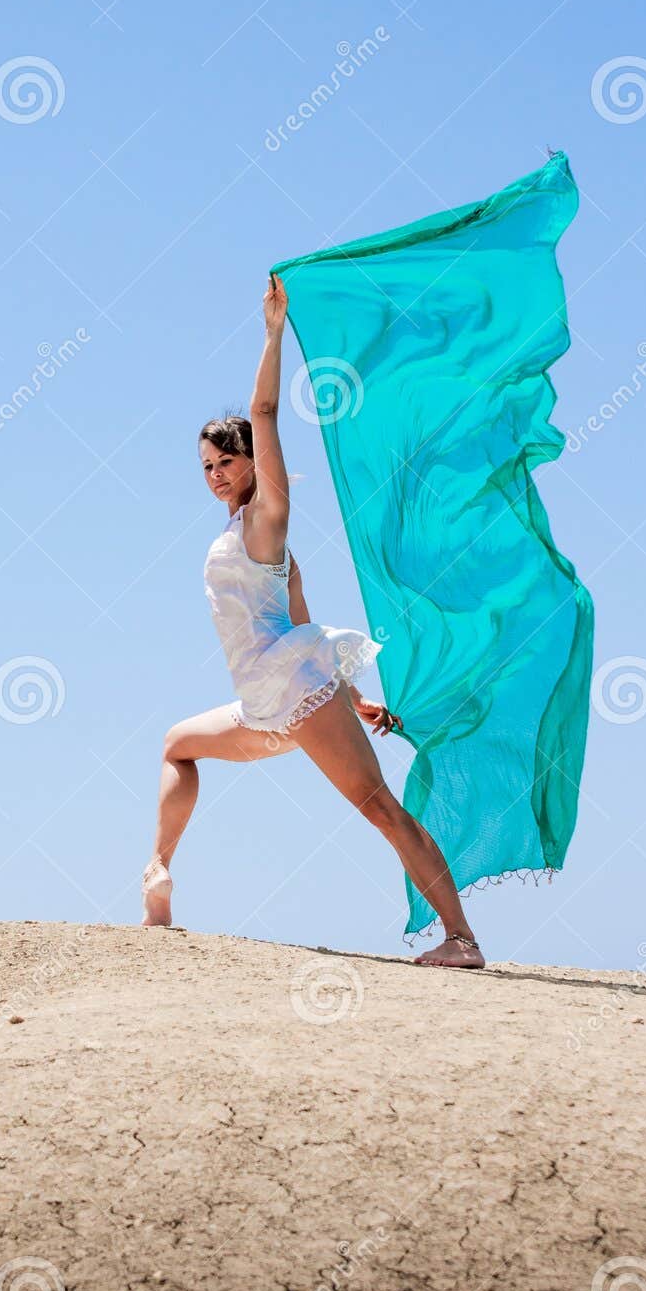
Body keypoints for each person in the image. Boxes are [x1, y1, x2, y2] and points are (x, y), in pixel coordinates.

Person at [141, 273, 485, 969]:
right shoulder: (250, 540)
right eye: (205, 465)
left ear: (251, 465)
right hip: (268, 699)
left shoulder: (267, 520)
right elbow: (300, 617)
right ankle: (157, 874)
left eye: (225, 460)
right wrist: (356, 699)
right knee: (178, 744)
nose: (213, 473)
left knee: (377, 808)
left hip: (291, 692)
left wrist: (272, 332)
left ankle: (461, 940)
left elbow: (264, 412)